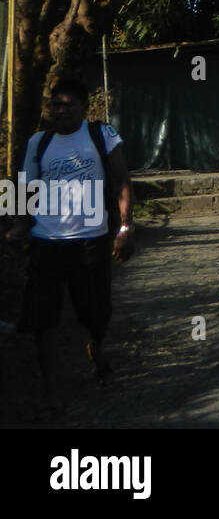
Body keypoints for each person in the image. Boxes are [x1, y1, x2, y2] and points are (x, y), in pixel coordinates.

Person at [6, 78, 134, 388]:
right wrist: (18, 223)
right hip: (46, 242)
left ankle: (96, 346)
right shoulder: (39, 142)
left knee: (95, 311)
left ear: (83, 108)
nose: (60, 111)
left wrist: (126, 226)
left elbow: (121, 181)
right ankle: (50, 381)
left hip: (90, 240)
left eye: (68, 105)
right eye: (55, 105)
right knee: (40, 316)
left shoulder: (100, 135)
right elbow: (23, 188)